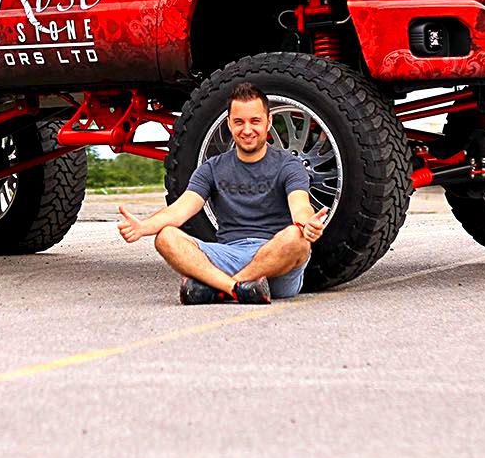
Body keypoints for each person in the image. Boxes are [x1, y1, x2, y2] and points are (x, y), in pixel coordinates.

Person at [117, 82, 329, 304]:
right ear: (229, 124)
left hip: (274, 259)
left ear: (268, 122)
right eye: (239, 122)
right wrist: (143, 227)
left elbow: (300, 206)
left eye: (255, 121)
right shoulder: (211, 168)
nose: (247, 130)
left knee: (297, 238)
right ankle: (239, 289)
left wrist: (308, 224)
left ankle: (219, 289)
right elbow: (179, 210)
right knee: (166, 236)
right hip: (229, 254)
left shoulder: (289, 166)